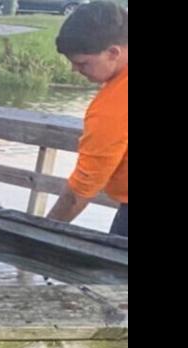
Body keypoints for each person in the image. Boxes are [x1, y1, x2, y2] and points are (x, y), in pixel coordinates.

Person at [46, 0, 127, 237]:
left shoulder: (114, 104)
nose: (75, 70)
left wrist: (40, 233)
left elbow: (80, 191)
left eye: (82, 63)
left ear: (113, 53)